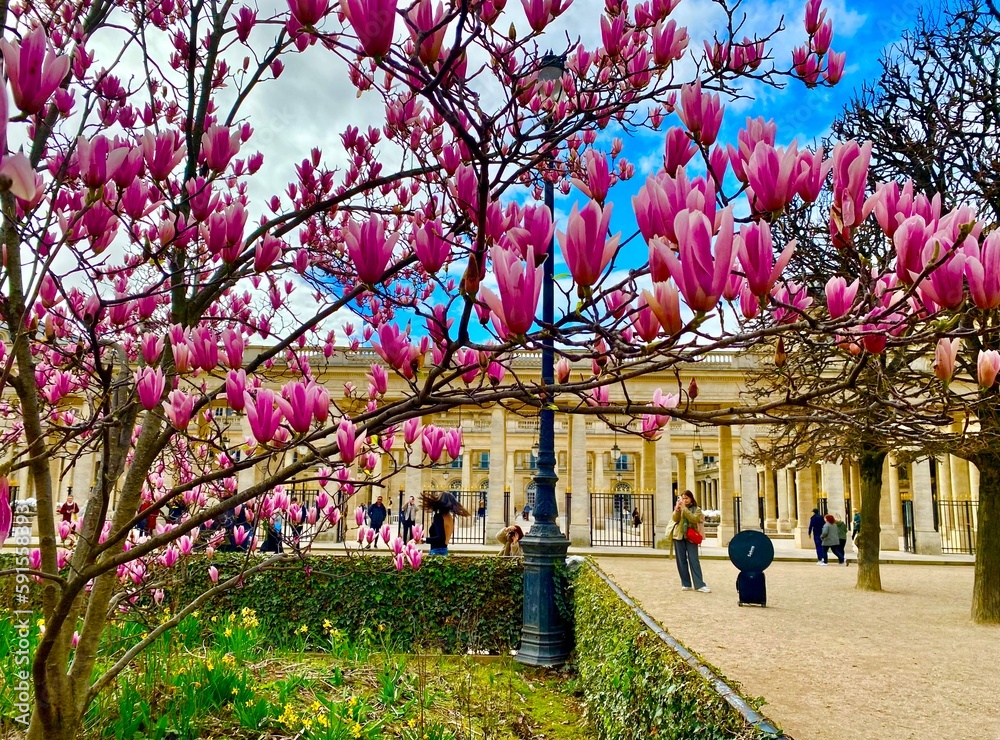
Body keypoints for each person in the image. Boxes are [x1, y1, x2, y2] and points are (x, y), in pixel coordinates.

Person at [670, 490, 710, 593]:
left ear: (691, 498)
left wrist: (684, 508)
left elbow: (694, 519)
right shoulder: (681, 508)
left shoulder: (697, 509)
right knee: (681, 561)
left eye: (686, 498)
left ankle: (699, 584)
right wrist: (677, 510)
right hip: (679, 536)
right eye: (683, 498)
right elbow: (675, 519)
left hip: (691, 537)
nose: (684, 500)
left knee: (694, 560)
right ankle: (686, 583)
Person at [422, 490, 470, 556]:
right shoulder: (449, 517)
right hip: (444, 550)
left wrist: (424, 539)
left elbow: (441, 538)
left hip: (436, 552)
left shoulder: (438, 517)